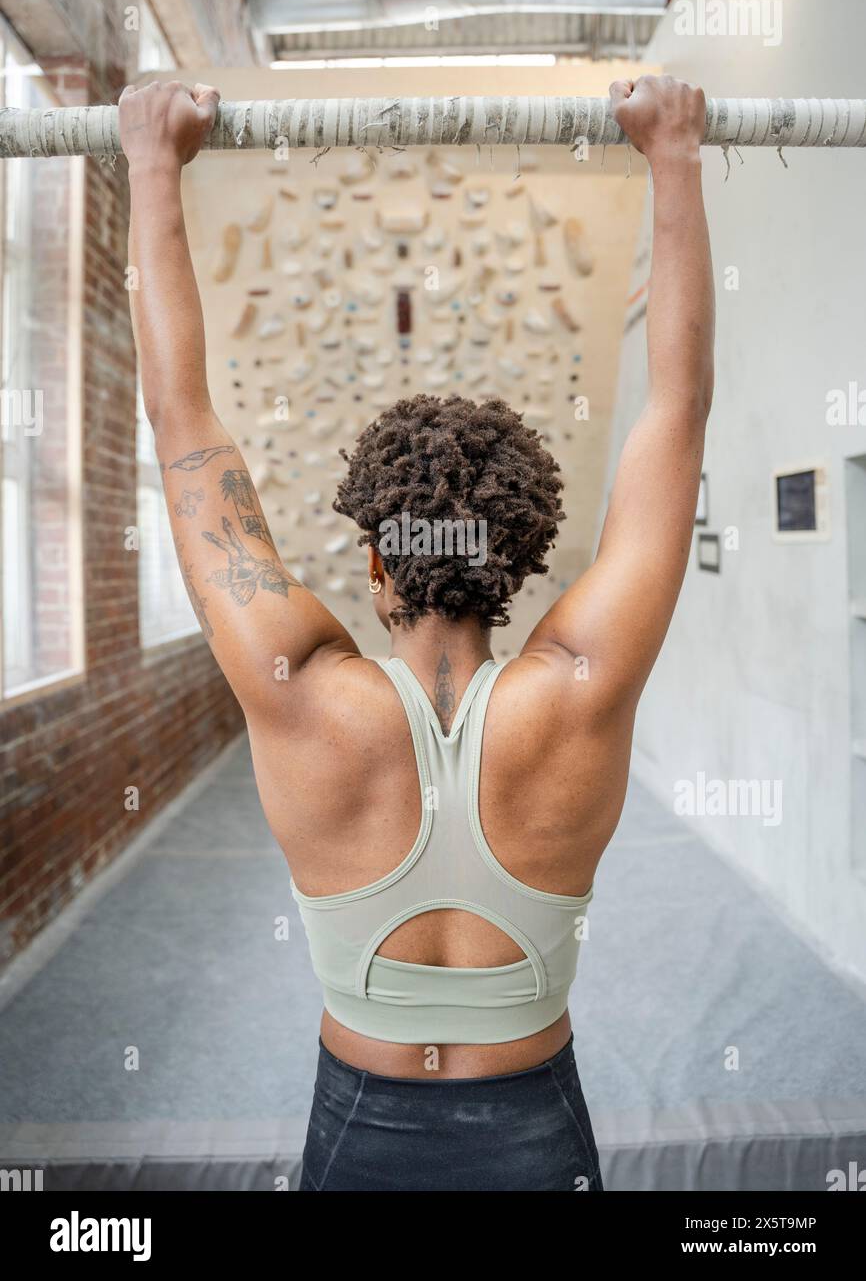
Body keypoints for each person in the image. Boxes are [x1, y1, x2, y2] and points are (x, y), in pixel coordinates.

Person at [119, 74, 714, 1192]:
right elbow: (676, 408)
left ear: (375, 557)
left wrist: (155, 161)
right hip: (534, 1122)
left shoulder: (294, 683)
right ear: (522, 553)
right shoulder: (581, 684)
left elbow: (178, 413)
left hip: (361, 1125)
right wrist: (670, 154)